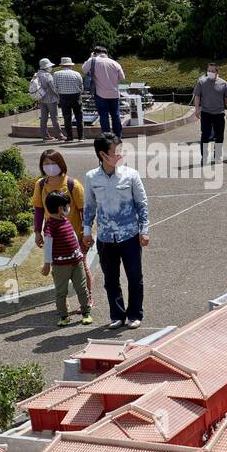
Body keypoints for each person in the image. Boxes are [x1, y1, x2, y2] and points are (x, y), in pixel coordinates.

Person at [82, 133, 150, 329]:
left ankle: (135, 314)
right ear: (103, 155)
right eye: (116, 152)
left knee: (134, 276)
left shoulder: (131, 175)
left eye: (121, 151)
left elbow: (142, 204)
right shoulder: (91, 177)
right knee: (110, 279)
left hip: (129, 235)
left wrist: (144, 230)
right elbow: (89, 206)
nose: (120, 155)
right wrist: (87, 231)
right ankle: (117, 315)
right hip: (105, 238)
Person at [40, 191, 92, 326]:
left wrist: (80, 251)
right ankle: (64, 316)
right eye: (66, 206)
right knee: (61, 291)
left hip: (76, 261)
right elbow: (48, 245)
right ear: (60, 208)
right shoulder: (50, 225)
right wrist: (47, 263)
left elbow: (73, 237)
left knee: (82, 288)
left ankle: (86, 312)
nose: (68, 208)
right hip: (60, 265)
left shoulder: (65, 220)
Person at [192, 62, 227, 167]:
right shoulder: (201, 82)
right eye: (208, 70)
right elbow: (197, 96)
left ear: (217, 71)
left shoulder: (224, 84)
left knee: (219, 136)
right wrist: (196, 109)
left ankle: (217, 156)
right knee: (205, 135)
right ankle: (204, 157)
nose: (210, 72)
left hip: (219, 114)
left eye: (212, 71)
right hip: (206, 113)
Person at [82, 45, 127, 137]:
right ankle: (118, 136)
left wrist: (91, 57)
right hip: (114, 93)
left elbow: (84, 70)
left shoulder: (93, 60)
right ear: (106, 53)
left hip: (100, 93)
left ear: (95, 53)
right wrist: (113, 82)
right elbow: (122, 78)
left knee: (103, 116)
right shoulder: (115, 63)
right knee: (115, 115)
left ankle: (107, 137)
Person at [52, 57, 85, 141]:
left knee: (67, 118)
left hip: (63, 96)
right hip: (76, 96)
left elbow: (54, 88)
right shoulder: (77, 74)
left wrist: (59, 94)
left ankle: (69, 137)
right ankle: (81, 137)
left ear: (62, 65)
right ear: (70, 65)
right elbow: (81, 87)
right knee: (79, 117)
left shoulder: (56, 74)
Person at [32, 59, 64, 141]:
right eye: (50, 66)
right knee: (54, 118)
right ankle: (60, 135)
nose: (51, 68)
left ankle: (45, 135)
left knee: (43, 118)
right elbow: (53, 88)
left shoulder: (37, 74)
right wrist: (59, 95)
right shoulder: (47, 75)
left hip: (41, 99)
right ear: (46, 67)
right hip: (51, 100)